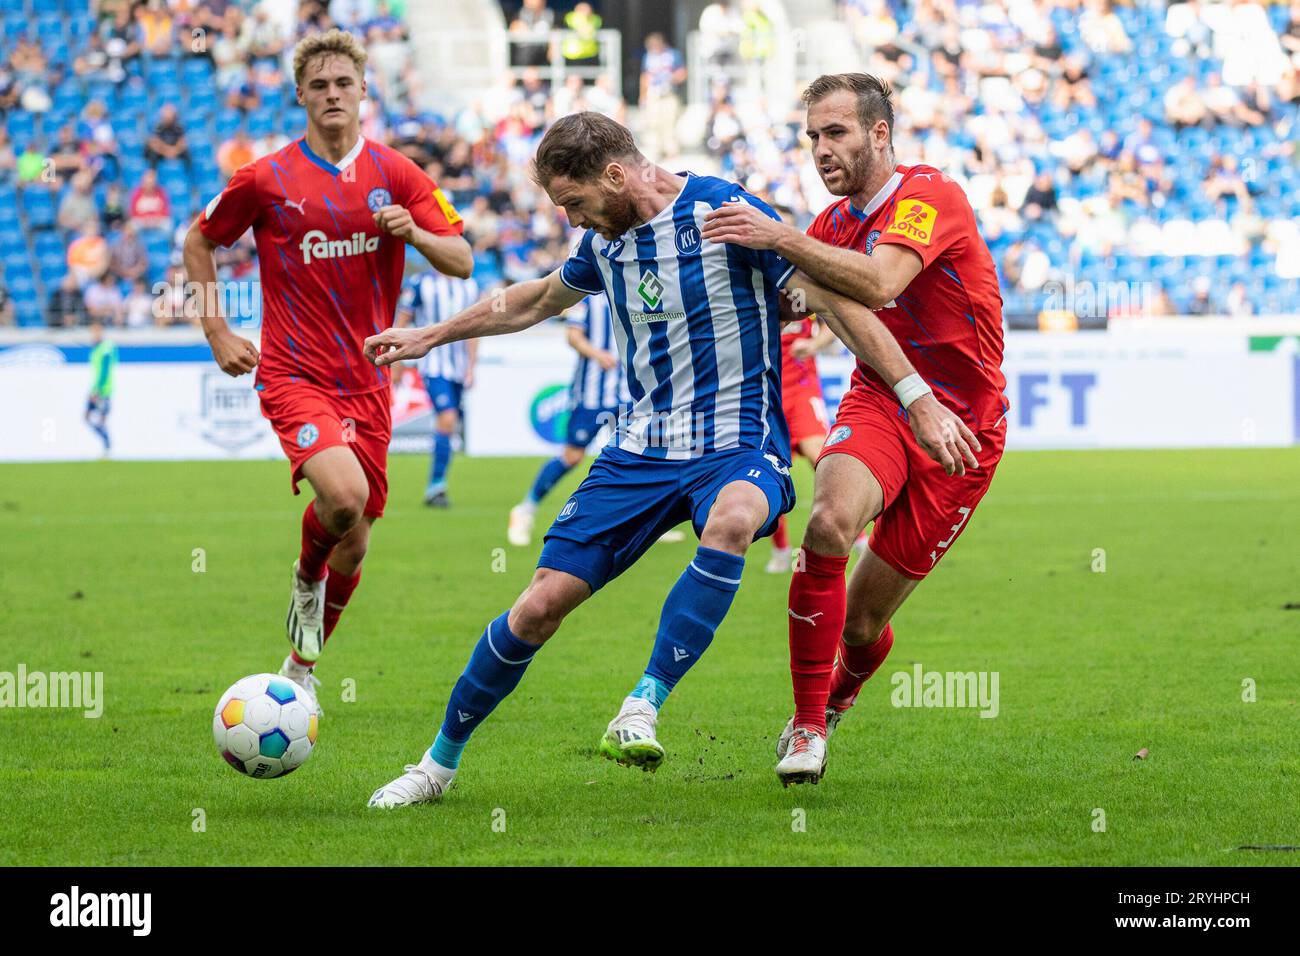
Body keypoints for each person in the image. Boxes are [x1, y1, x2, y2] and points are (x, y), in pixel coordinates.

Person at [359, 111, 962, 808]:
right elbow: (533, 299)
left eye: (577, 204)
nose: (574, 221)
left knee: (735, 520)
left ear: (616, 176)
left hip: (737, 440)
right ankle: (436, 766)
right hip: (639, 449)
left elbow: (834, 299)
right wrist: (431, 335)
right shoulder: (606, 242)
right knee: (537, 607)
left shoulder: (723, 213)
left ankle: (643, 702)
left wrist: (915, 395)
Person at [702, 72, 1000, 786]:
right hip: (882, 402)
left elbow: (880, 282)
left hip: (964, 431)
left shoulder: (931, 196)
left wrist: (779, 239)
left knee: (862, 627)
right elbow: (799, 296)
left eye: (834, 133)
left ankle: (838, 696)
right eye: (811, 137)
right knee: (830, 522)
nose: (820, 150)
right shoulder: (831, 226)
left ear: (878, 133)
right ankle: (806, 727)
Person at [183, 29, 472, 712]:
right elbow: (199, 239)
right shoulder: (267, 177)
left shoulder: (397, 174)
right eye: (320, 85)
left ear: (365, 90)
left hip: (369, 382)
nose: (333, 94)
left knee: (359, 534)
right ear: (301, 96)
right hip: (293, 373)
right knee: (341, 502)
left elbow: (460, 258)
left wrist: (416, 233)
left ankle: (301, 664)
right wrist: (217, 327)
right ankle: (305, 576)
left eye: (345, 82)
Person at [506, 293, 631, 547]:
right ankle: (525, 509)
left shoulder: (631, 293)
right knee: (572, 456)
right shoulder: (587, 300)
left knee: (638, 454)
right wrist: (597, 354)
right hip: (591, 395)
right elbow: (572, 336)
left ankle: (645, 520)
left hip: (629, 393)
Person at [395, 268, 480, 507]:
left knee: (451, 423)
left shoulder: (470, 286)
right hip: (432, 365)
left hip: (459, 367)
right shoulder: (421, 283)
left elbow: (475, 330)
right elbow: (403, 319)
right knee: (447, 417)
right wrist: (398, 360)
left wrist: (472, 366)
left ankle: (437, 485)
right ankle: (436, 486)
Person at [85, 321, 116, 455]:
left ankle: (107, 444)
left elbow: (104, 370)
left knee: (101, 418)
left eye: (96, 331)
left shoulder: (106, 348)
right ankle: (106, 442)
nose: (94, 334)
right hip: (96, 388)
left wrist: (98, 389)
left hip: (103, 390)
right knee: (88, 416)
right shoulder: (96, 348)